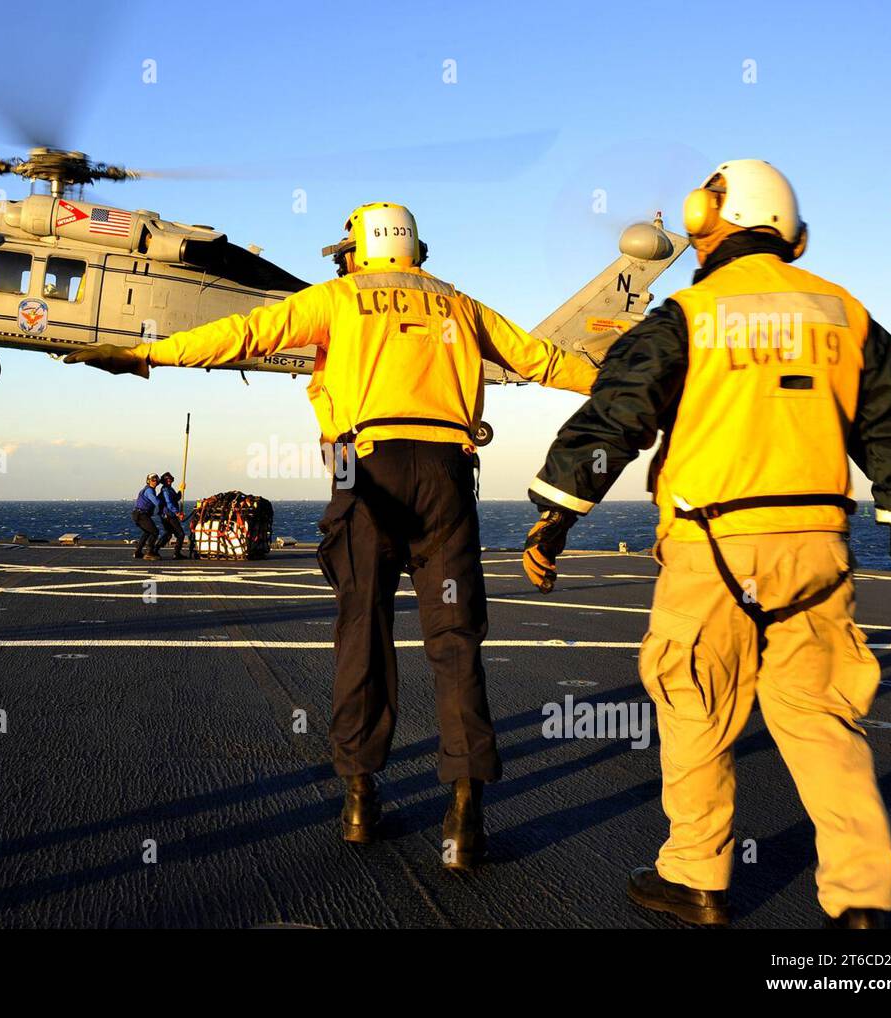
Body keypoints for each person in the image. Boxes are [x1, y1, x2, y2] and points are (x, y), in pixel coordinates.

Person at [68, 202, 596, 868]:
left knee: (362, 632)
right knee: (457, 641)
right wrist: (638, 384)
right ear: (414, 252)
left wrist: (145, 354)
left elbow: (242, 333)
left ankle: (358, 797)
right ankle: (464, 816)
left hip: (365, 470)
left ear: (359, 250)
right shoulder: (460, 306)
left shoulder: (338, 299)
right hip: (447, 476)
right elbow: (546, 360)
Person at [522, 160, 891, 927]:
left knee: (696, 704)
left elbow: (616, 415)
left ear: (710, 217)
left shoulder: (690, 311)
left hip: (712, 544)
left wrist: (557, 513)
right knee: (822, 718)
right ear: (792, 233)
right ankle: (858, 895)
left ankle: (696, 877)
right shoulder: (845, 313)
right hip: (817, 544)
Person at [132, 473, 163, 561]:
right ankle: (149, 553)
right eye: (153, 480)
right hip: (141, 514)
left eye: (156, 480)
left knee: (147, 532)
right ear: (148, 481)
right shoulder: (149, 491)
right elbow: (156, 502)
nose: (155, 482)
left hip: (137, 514)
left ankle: (138, 552)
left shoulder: (147, 489)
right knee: (155, 532)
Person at [157, 471, 186, 559]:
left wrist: (181, 490)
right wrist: (177, 513)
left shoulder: (169, 489)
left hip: (167, 514)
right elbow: (169, 503)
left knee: (168, 533)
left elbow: (176, 498)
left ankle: (155, 549)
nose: (169, 481)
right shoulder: (166, 490)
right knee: (180, 534)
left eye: (170, 479)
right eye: (167, 479)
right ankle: (176, 553)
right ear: (164, 481)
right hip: (169, 515)